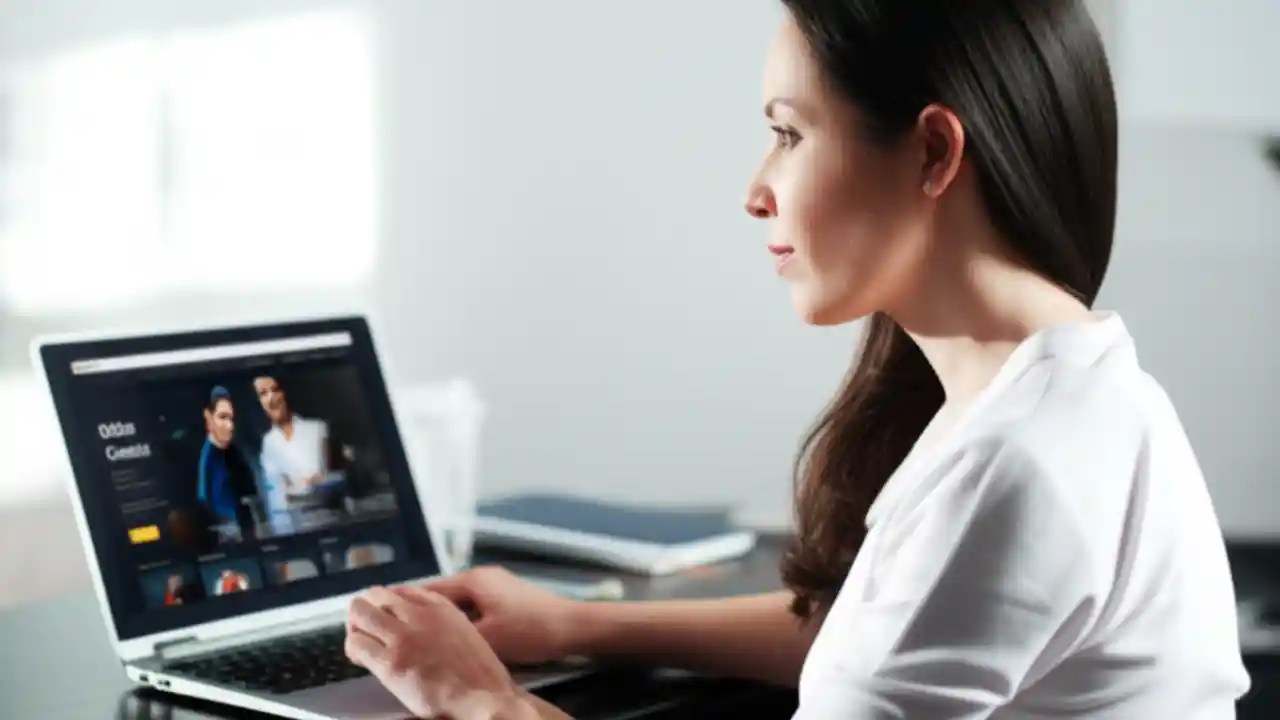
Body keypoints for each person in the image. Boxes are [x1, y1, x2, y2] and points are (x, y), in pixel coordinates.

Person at [343, 1, 1251, 718]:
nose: (755, 190)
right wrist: (579, 622)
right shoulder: (1071, 391)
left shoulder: (1020, 464)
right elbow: (870, 641)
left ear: (933, 152)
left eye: (788, 133)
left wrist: (477, 698)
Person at [253, 375, 332, 501]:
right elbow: (277, 487)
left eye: (275, 390)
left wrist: (300, 484)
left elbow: (325, 476)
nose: (271, 397)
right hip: (294, 514)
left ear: (284, 394)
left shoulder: (317, 428)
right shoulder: (268, 443)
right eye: (263, 393)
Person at [196, 386, 258, 541]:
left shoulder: (234, 452)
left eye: (231, 419)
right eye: (222, 417)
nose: (229, 426)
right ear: (208, 417)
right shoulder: (207, 458)